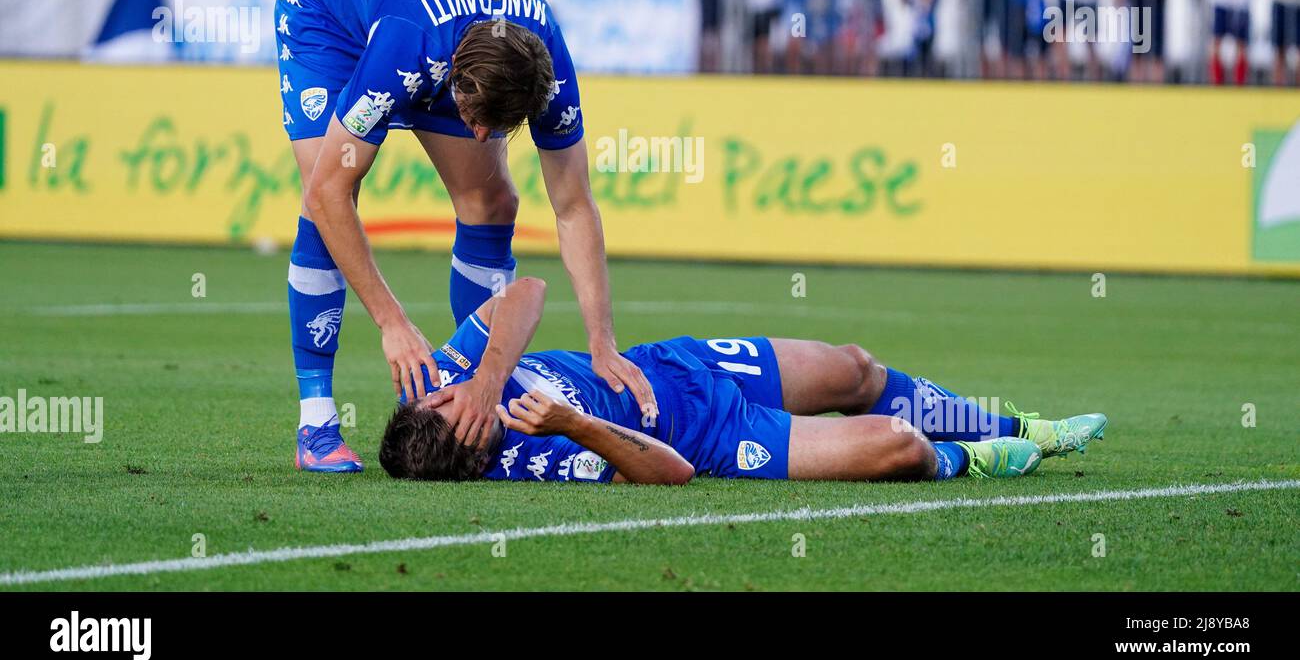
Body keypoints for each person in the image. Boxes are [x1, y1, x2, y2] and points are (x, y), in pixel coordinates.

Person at [275, 0, 657, 473]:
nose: (481, 135)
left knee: (493, 202)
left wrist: (603, 342)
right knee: (330, 196)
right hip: (328, 13)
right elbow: (327, 194)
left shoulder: (547, 60)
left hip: (439, 22)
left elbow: (573, 205)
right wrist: (393, 323)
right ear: (455, 80)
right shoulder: (408, 50)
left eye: (495, 126)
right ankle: (316, 423)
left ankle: (473, 383)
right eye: (475, 118)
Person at [379, 278, 1108, 485]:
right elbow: (672, 473)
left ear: (436, 399)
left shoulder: (449, 375)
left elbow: (529, 289)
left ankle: (1010, 425)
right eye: (486, 433)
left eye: (467, 409)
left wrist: (486, 381)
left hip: (675, 364)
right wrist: (579, 426)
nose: (489, 417)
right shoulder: (535, 460)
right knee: (899, 447)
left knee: (854, 366)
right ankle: (966, 459)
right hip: (711, 434)